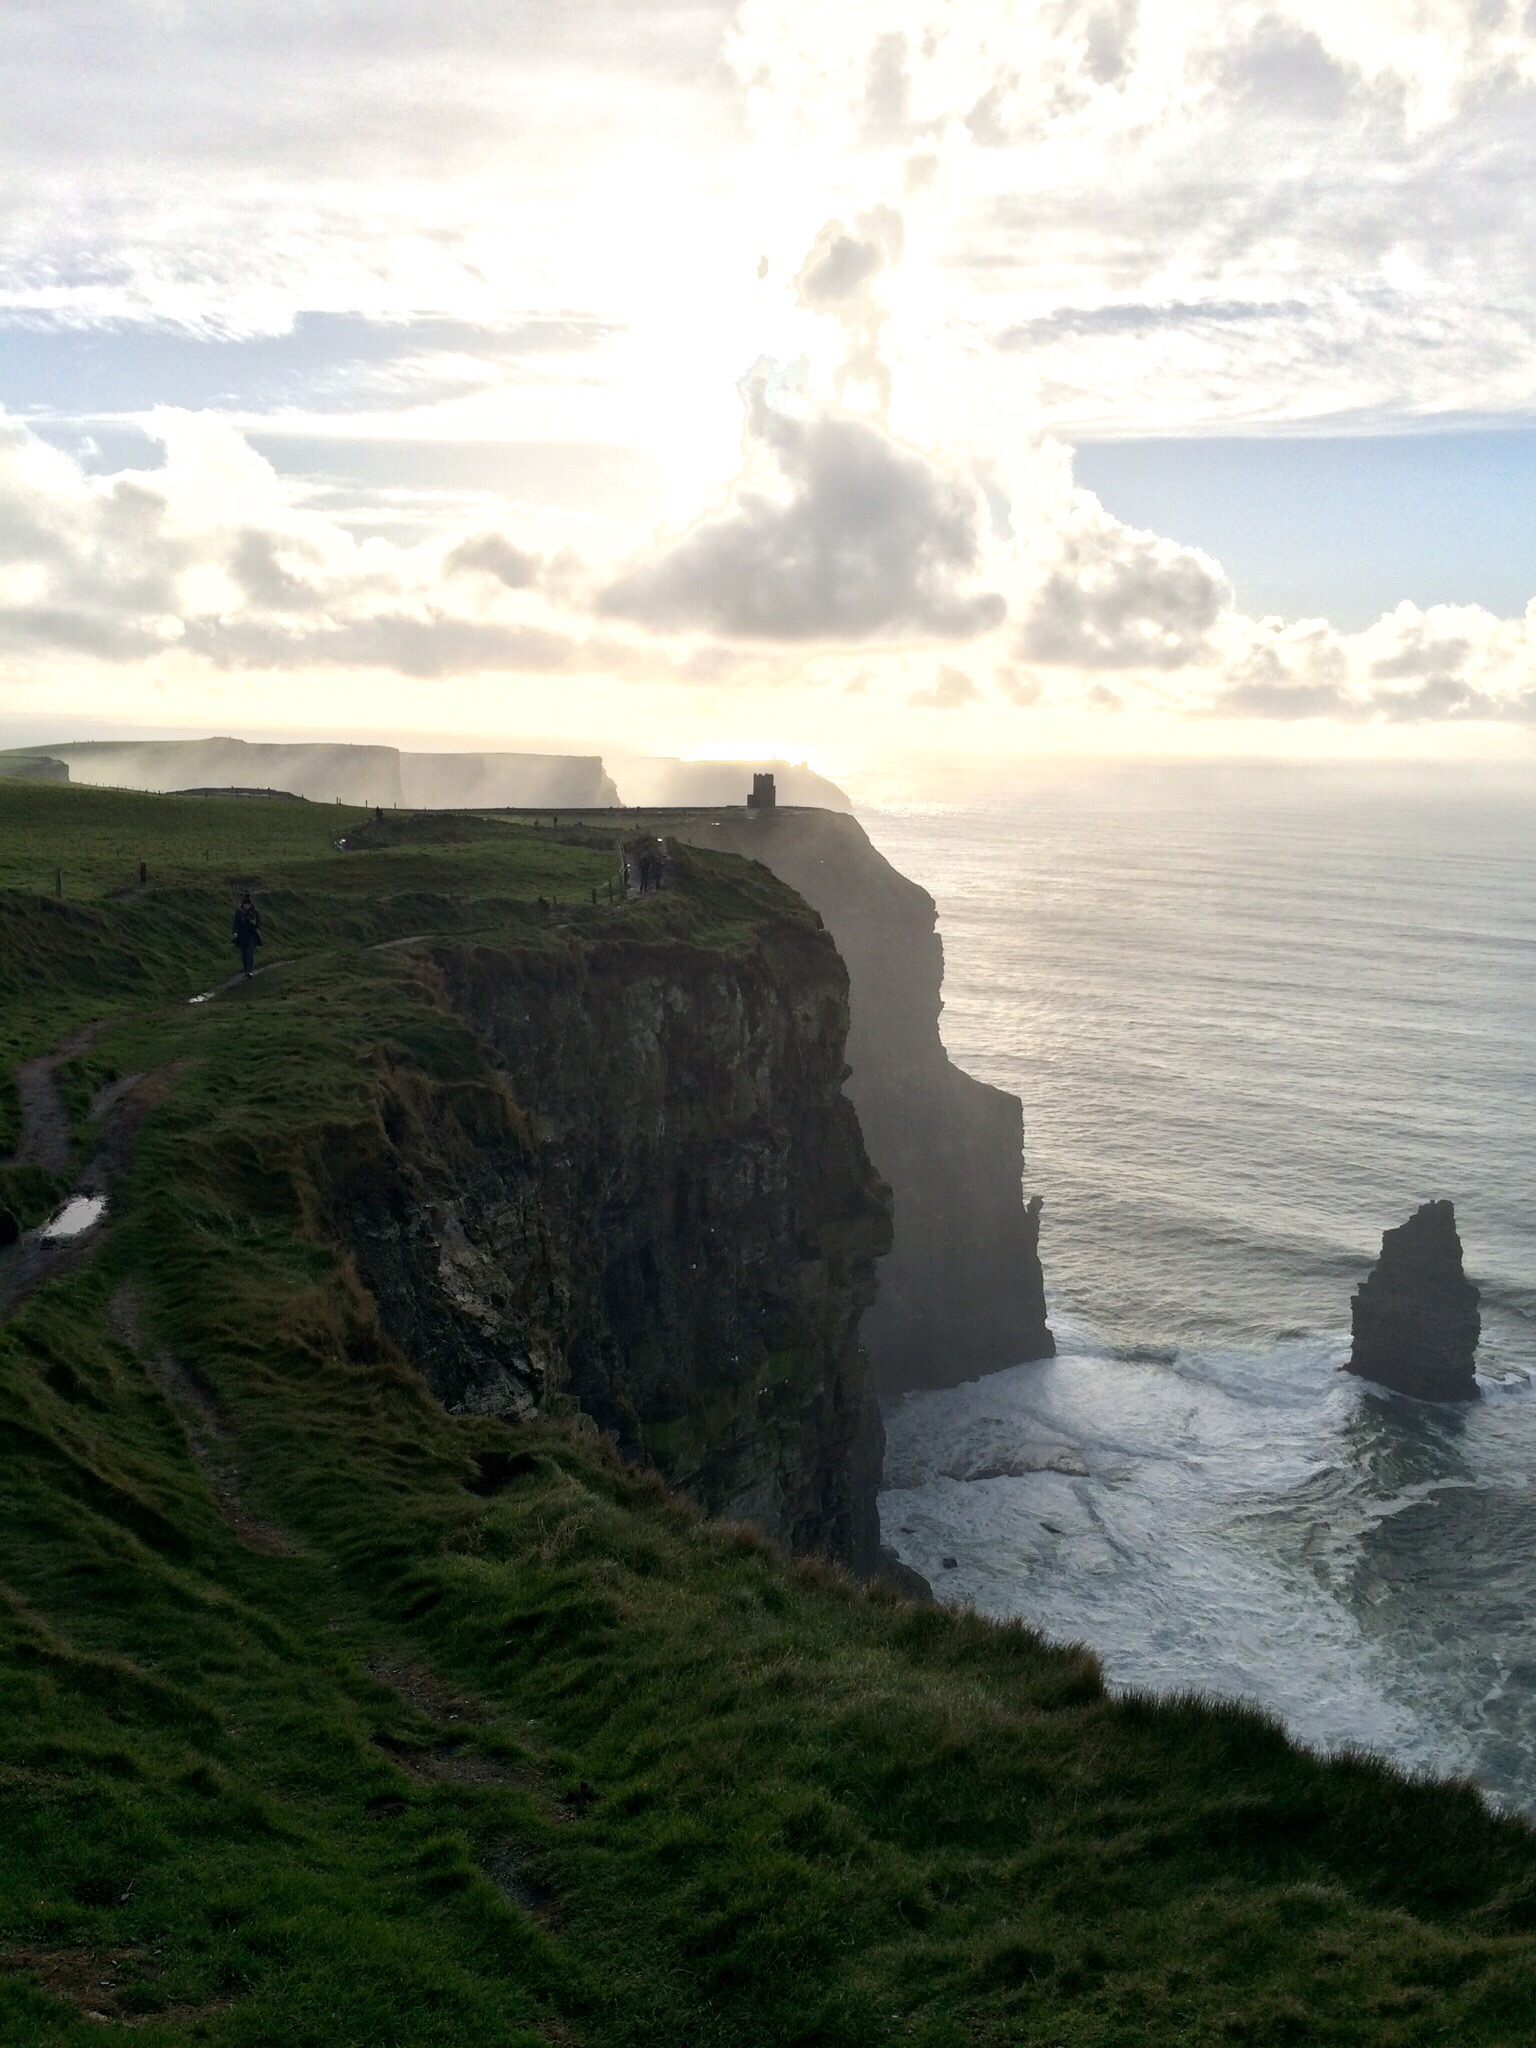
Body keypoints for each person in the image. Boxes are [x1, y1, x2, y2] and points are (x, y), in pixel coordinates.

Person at [232, 892, 262, 978]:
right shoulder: (239, 912)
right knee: (244, 955)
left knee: (250, 954)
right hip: (242, 937)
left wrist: (254, 923)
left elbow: (258, 925)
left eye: (248, 904)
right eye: (245, 904)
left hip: (252, 936)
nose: (247, 906)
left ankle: (250, 971)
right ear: (243, 904)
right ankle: (246, 971)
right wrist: (235, 932)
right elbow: (236, 924)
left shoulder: (254, 912)